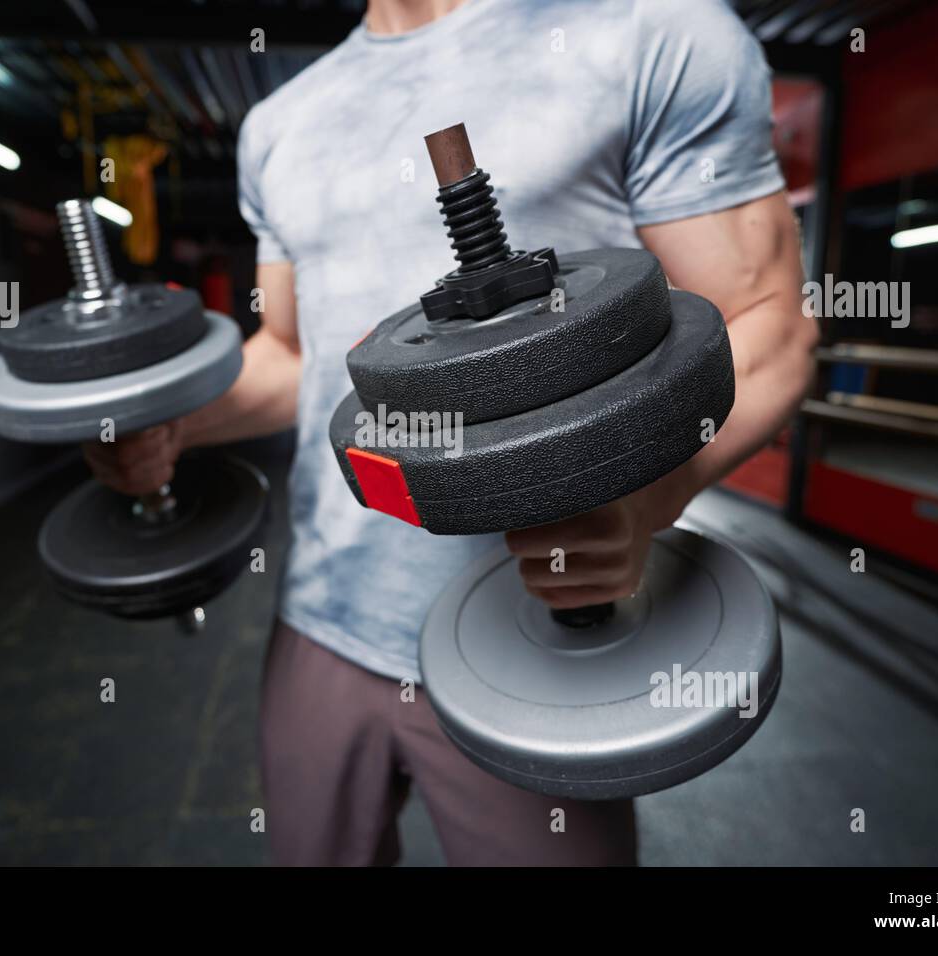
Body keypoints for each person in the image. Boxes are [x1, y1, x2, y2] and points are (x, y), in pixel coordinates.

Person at [83, 0, 818, 866]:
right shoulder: (281, 124)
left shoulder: (653, 32)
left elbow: (768, 321)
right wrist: (168, 427)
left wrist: (646, 501)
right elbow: (291, 357)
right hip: (326, 618)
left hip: (546, 618)